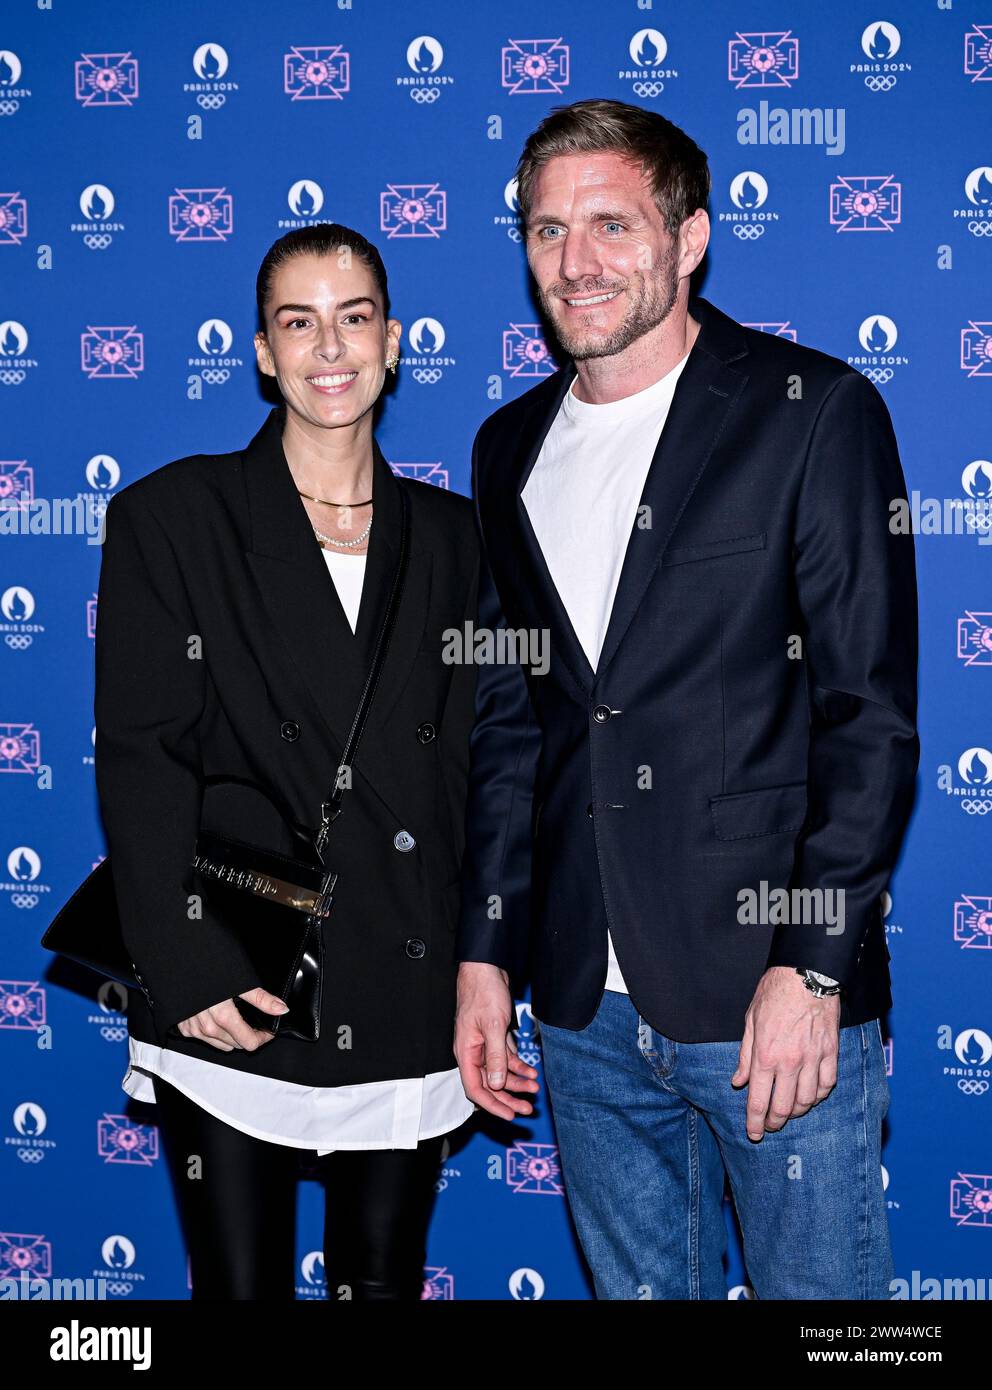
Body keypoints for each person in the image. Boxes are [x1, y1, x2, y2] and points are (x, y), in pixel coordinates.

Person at [454, 99, 919, 1300]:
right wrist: (487, 953)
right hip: (580, 1010)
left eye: (610, 224)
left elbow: (866, 718)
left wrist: (811, 969)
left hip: (764, 993)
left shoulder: (809, 411)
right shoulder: (505, 447)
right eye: (546, 229)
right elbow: (510, 726)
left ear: (689, 236)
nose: (575, 261)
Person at [94, 223, 484, 1301]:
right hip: (237, 979)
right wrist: (186, 963)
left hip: (403, 982)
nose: (330, 348)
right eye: (298, 323)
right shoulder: (175, 518)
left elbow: (482, 768)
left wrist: (483, 964)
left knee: (381, 1286)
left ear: (393, 342)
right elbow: (142, 758)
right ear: (264, 353)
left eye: (354, 318)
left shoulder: (458, 538)